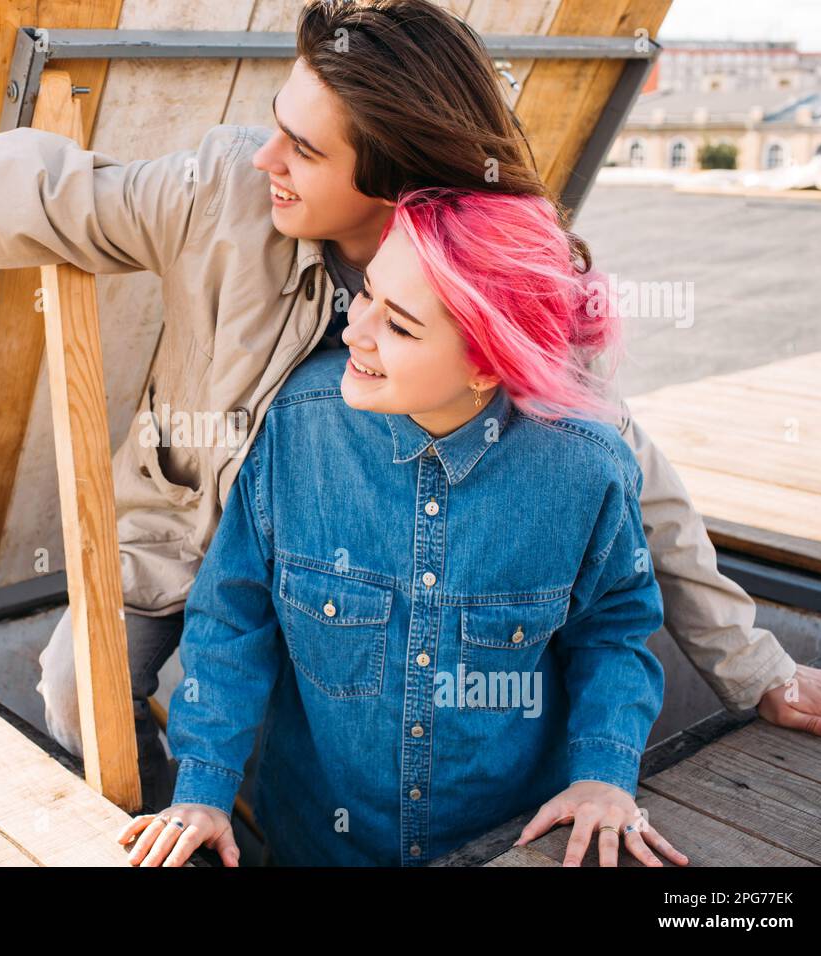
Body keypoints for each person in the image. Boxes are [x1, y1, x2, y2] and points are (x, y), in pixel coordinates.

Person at [0, 1, 821, 815]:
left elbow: (618, 454)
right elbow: (19, 187)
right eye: (276, 126)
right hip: (180, 550)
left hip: (366, 579)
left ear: (398, 180)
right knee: (91, 701)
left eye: (303, 148)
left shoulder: (481, 259)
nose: (265, 157)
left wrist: (756, 666)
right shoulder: (220, 195)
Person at [119, 186, 691, 867]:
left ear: (486, 362)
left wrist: (602, 773)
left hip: (507, 846)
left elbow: (612, 634)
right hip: (313, 844)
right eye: (367, 294)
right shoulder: (292, 429)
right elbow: (232, 622)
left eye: (401, 325)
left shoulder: (587, 473)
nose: (355, 330)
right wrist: (205, 785)